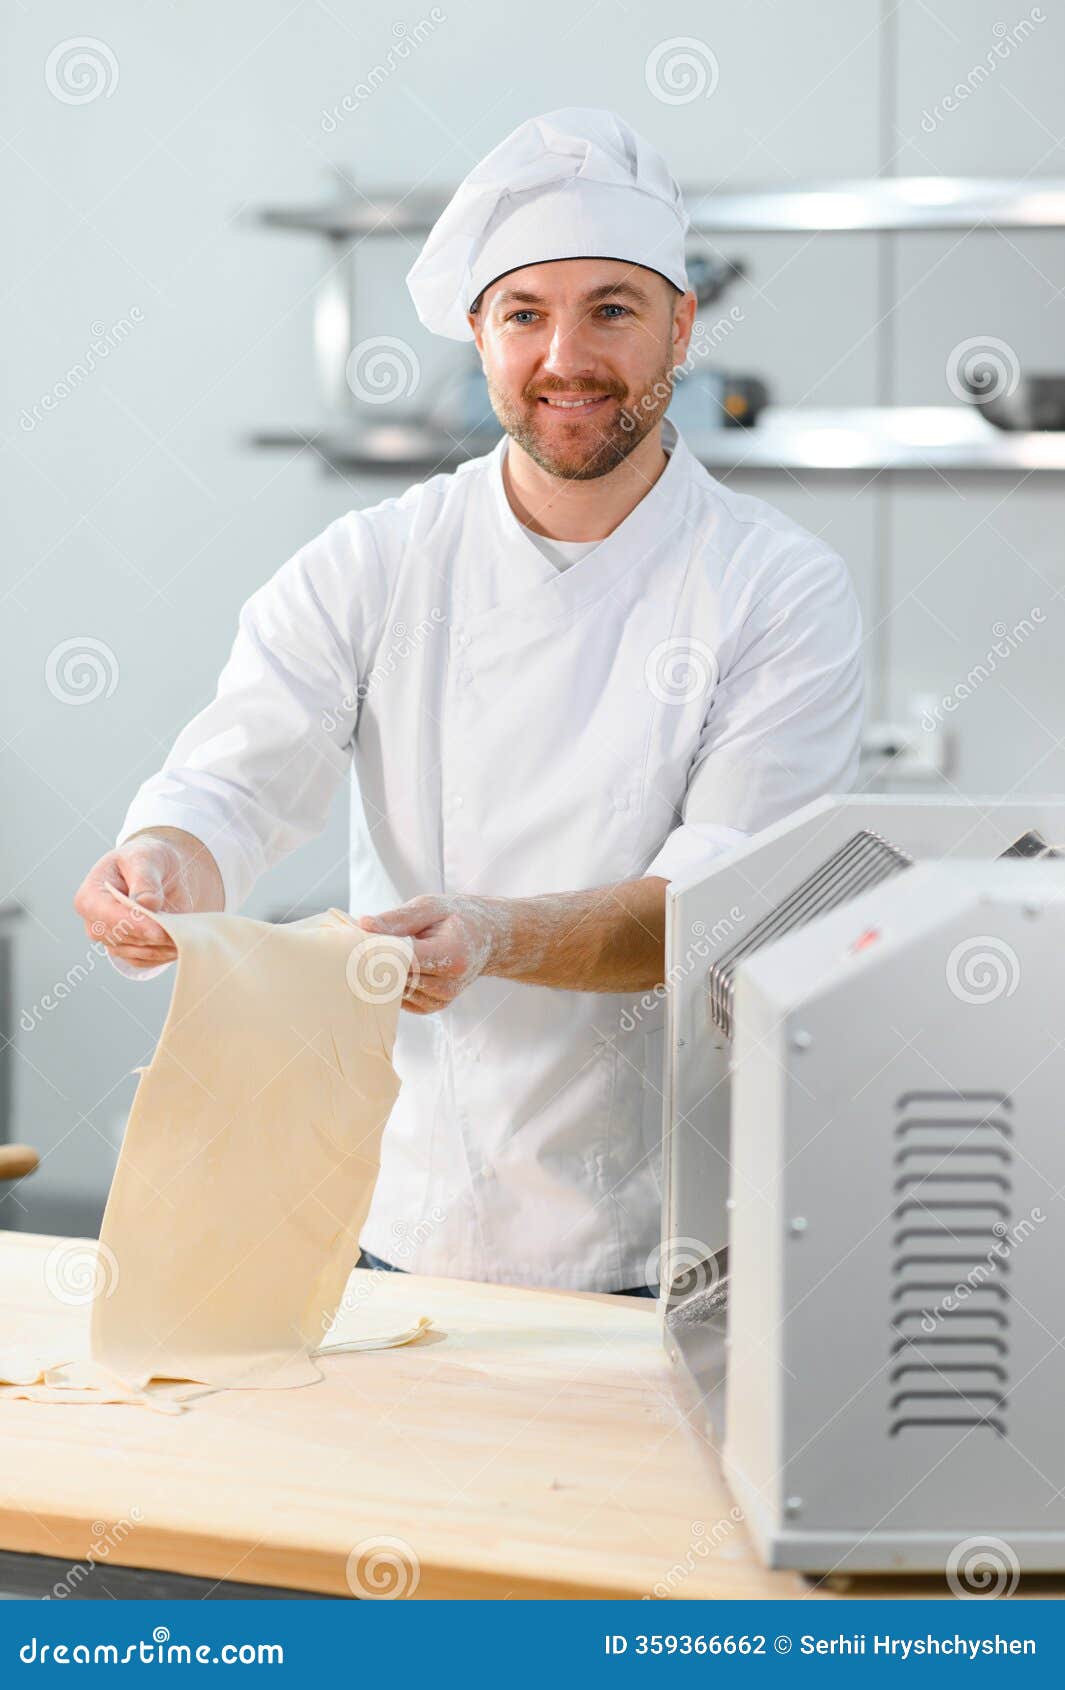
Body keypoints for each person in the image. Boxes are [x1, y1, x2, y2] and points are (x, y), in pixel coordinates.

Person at [74, 108, 864, 1296]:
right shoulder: (378, 561)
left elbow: (716, 908)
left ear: (681, 326)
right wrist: (165, 859)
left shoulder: (777, 589)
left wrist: (496, 935)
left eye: (612, 308)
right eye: (525, 314)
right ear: (479, 334)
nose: (567, 360)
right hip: (401, 1225)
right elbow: (234, 777)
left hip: (670, 1247)